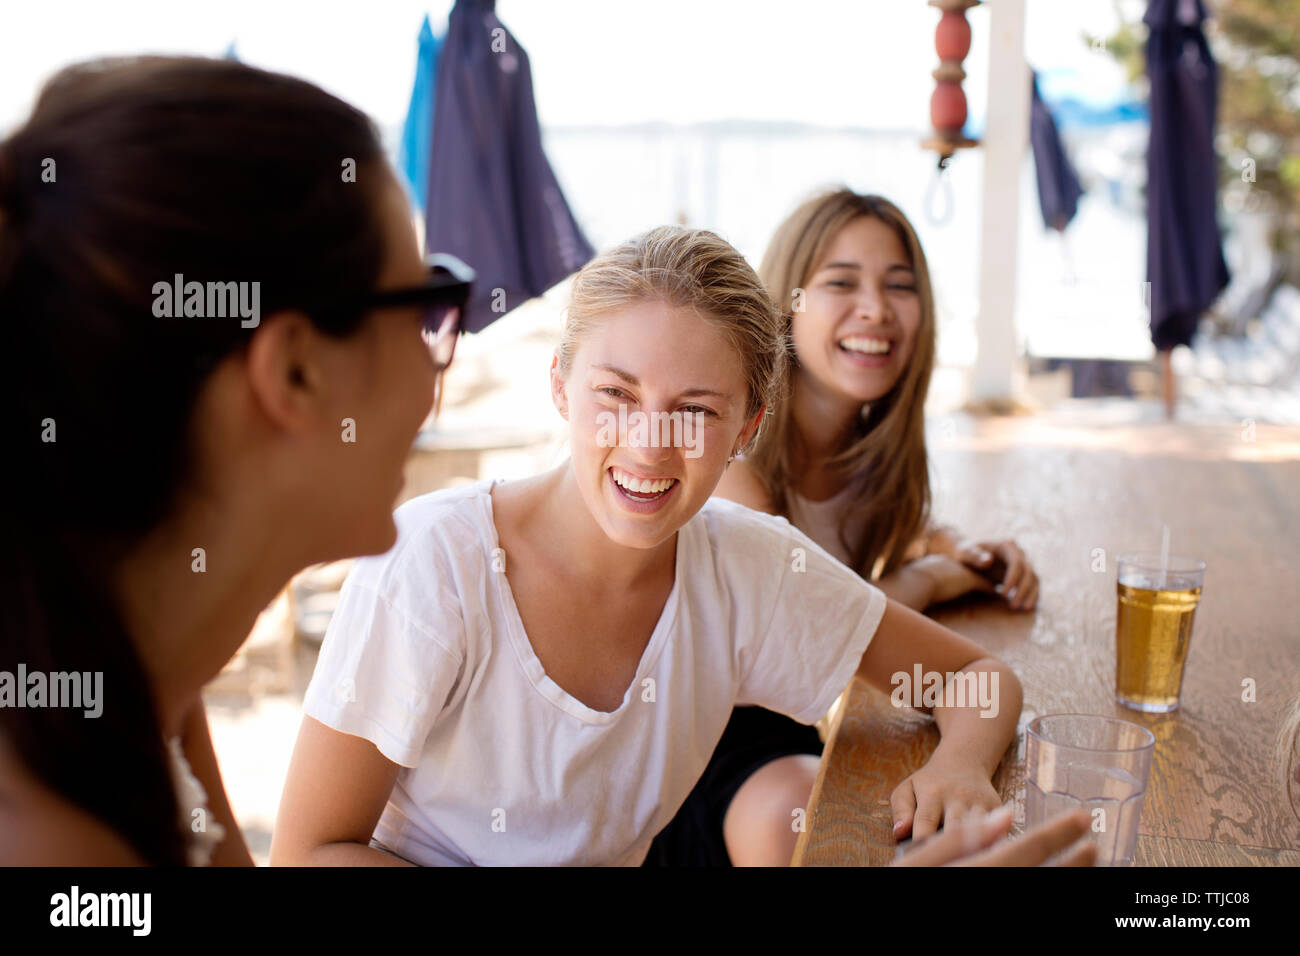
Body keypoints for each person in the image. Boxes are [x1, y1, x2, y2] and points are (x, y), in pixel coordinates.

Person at [272, 225, 1093, 867]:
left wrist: (961, 768)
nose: (649, 443)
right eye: (615, 394)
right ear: (560, 385)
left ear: (748, 427)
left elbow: (976, 680)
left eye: (696, 409)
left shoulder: (748, 567)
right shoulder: (436, 563)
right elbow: (304, 851)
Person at [0, 56, 468, 864]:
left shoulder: (135, 672)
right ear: (295, 371)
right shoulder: (58, 852)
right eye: (423, 303)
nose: (438, 363)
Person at [649, 188, 1043, 866]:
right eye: (840, 283)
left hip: (791, 738)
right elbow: (818, 614)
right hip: (702, 765)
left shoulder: (868, 463)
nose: (876, 310)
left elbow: (884, 557)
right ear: (783, 305)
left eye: (900, 285)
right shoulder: (732, 461)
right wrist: (930, 576)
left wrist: (954, 547)